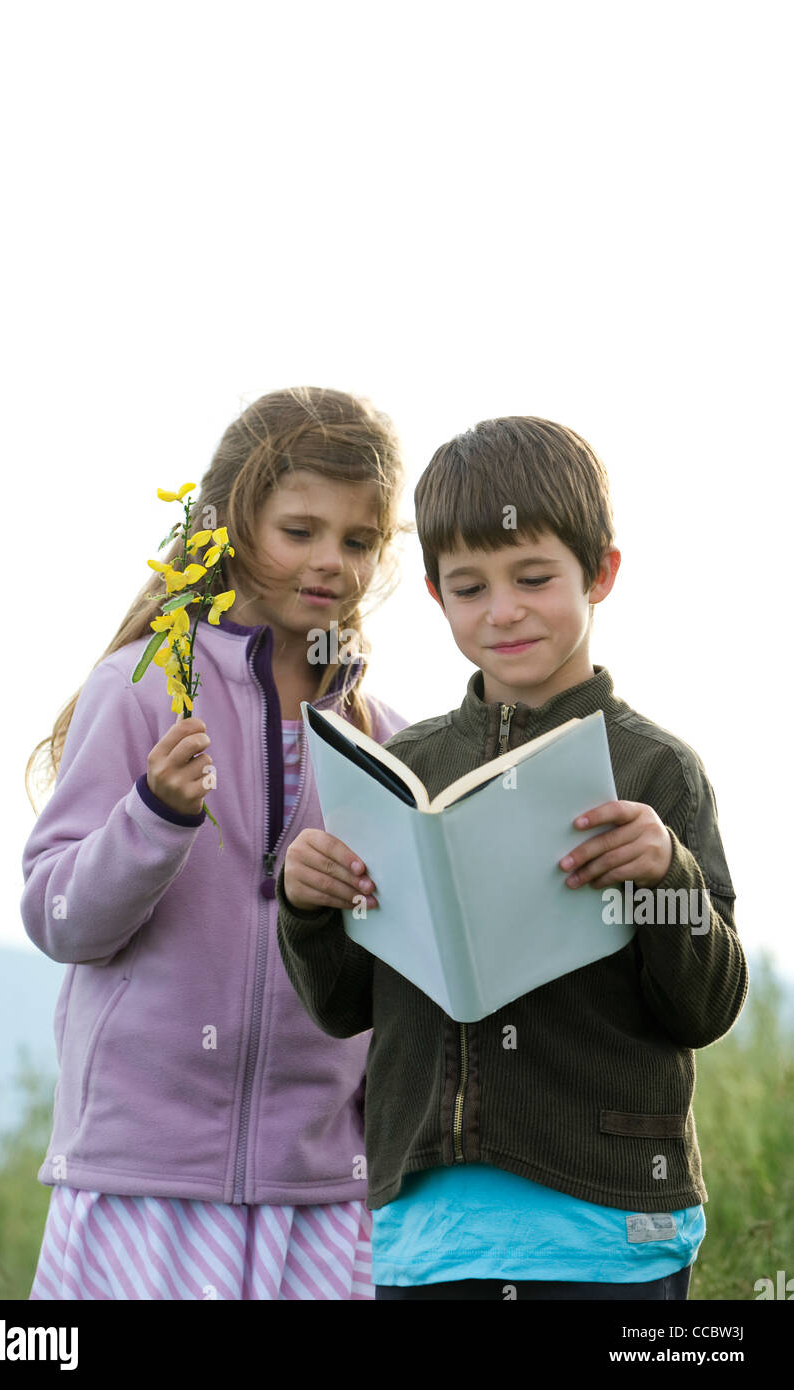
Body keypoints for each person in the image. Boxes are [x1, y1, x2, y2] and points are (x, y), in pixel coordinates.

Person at [276, 415, 748, 1301]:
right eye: (468, 587)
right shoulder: (403, 769)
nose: (501, 611)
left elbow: (707, 1005)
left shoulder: (653, 771)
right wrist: (307, 906)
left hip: (608, 1228)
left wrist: (669, 880)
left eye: (533, 578)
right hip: (427, 1234)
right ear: (433, 594)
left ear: (599, 572)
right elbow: (342, 1007)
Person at [21, 385, 409, 1300]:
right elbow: (60, 916)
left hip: (316, 1191)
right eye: (299, 530)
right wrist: (153, 816)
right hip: (145, 1181)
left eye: (358, 542)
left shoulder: (383, 738)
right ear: (233, 524)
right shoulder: (145, 687)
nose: (330, 564)